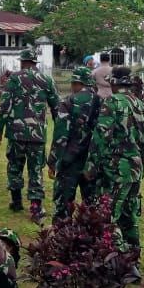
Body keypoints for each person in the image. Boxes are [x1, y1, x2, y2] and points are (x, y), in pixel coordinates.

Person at [86, 67, 144, 264]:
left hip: (116, 170)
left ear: (113, 83)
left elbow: (101, 136)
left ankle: (121, 261)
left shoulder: (112, 102)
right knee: (129, 216)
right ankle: (134, 257)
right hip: (135, 168)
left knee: (109, 215)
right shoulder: (139, 104)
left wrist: (91, 165)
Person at [0, 49, 59, 220]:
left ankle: (16, 202)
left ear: (22, 62)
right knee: (35, 169)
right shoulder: (46, 80)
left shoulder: (14, 78)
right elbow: (56, 107)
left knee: (15, 166)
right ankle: (36, 209)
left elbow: (5, 105)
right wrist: (60, 131)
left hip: (16, 133)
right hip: (37, 134)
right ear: (34, 62)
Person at [46, 66, 101, 221]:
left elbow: (60, 136)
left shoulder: (68, 102)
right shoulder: (102, 102)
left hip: (69, 161)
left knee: (63, 205)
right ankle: (89, 241)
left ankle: (60, 239)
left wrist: (52, 161)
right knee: (91, 207)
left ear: (77, 83)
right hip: (92, 162)